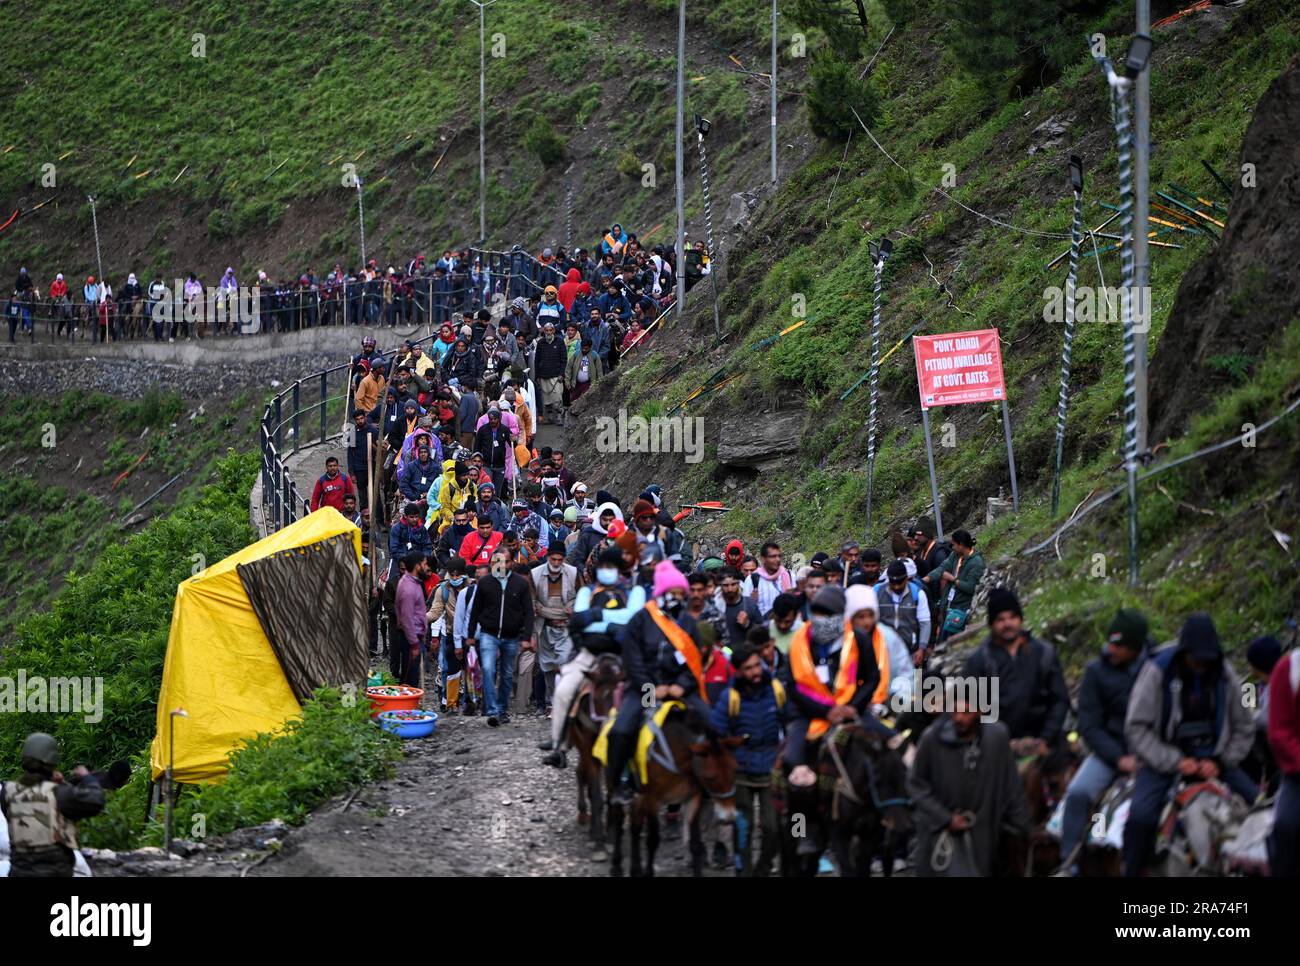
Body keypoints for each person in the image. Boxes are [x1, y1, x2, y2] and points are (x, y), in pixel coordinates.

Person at [1122, 613, 1259, 876]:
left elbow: (1244, 726)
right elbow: (1136, 727)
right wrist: (1174, 761)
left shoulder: (1224, 673)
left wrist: (1220, 761)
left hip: (1214, 761)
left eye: (1206, 660)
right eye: (1196, 660)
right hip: (1164, 764)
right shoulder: (1157, 671)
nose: (1201, 666)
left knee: (1260, 809)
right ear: (1184, 653)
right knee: (1141, 818)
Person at [779, 585, 882, 856]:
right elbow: (792, 686)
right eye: (817, 613)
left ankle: (888, 825)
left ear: (841, 616)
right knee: (794, 764)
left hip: (850, 708)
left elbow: (872, 678)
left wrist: (851, 707)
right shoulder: (799, 642)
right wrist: (826, 712)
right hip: (807, 713)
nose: (821, 618)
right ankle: (802, 831)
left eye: (828, 614)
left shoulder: (858, 639)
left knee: (891, 747)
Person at [604, 561, 707, 805]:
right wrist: (651, 687)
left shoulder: (688, 623)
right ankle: (619, 783)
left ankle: (710, 779)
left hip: (678, 688)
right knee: (621, 730)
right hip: (645, 689)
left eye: (681, 593)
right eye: (673, 593)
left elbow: (695, 660)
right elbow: (633, 660)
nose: (677, 598)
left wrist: (681, 684)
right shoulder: (640, 620)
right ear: (661, 593)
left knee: (711, 721)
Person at [908, 682, 1031, 876]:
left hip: (985, 834)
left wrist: (1022, 828)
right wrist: (945, 818)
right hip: (943, 835)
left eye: (966, 712)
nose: (959, 718)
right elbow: (916, 784)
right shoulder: (931, 739)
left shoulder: (997, 737)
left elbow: (1011, 787)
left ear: (980, 711)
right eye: (955, 711)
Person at [1058, 609, 1149, 870]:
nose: (1111, 649)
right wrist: (1119, 758)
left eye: (1119, 645)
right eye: (1110, 642)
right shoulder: (1096, 671)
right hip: (1110, 751)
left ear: (1135, 646)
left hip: (1152, 753)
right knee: (1077, 793)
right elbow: (1089, 724)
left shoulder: (1156, 669)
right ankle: (1069, 862)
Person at [541, 548, 646, 766]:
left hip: (624, 655)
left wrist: (596, 617)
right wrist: (614, 624)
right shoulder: (586, 593)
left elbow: (633, 618)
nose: (608, 571)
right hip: (589, 653)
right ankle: (559, 745)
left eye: (612, 567)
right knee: (564, 689)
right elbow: (578, 621)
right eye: (605, 567)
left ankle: (646, 745)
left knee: (648, 692)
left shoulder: (634, 592)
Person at [963, 589, 1069, 753]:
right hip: (996, 749)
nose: (1008, 624)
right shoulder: (980, 661)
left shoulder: (1043, 653)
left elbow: (1059, 699)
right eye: (1001, 619)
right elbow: (973, 710)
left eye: (1012, 617)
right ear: (992, 624)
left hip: (1042, 744)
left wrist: (1045, 738)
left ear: (1020, 619)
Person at [709, 644, 784, 877]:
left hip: (771, 768)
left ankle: (763, 866)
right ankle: (744, 871)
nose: (755, 672)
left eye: (757, 665)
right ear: (738, 671)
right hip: (741, 770)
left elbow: (789, 720)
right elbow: (715, 731)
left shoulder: (776, 689)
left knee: (773, 827)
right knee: (744, 827)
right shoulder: (730, 697)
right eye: (748, 668)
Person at [1, 733, 106, 877]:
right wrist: (87, 777)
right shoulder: (59, 793)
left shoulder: (8, 791)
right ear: (52, 760)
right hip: (54, 872)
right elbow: (96, 801)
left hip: (19, 872)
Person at [466, 549, 535, 727]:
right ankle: (493, 710)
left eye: (505, 562)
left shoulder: (520, 584)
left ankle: (502, 709)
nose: (501, 566)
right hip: (488, 633)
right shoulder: (485, 583)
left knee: (506, 674)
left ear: (512, 563)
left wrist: (526, 636)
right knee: (488, 669)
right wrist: (470, 634)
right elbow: (475, 610)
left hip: (511, 636)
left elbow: (528, 612)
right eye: (497, 562)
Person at [529, 543, 579, 713]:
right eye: (553, 559)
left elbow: (581, 596)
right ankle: (551, 702)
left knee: (564, 664)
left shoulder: (572, 573)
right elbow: (532, 603)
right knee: (548, 667)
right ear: (548, 557)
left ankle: (564, 701)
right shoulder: (535, 575)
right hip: (544, 628)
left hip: (566, 628)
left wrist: (570, 608)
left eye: (560, 559)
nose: (556, 563)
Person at [1268, 645, 1300, 877]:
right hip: (1283, 757)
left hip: (1270, 749)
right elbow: (1262, 723)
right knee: (1285, 826)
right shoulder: (1287, 670)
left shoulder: (1249, 683)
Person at [428, 557, 470, 713]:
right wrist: (420, 618)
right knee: (448, 669)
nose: (454, 578)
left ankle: (469, 701)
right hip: (450, 633)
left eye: (457, 575)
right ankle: (448, 701)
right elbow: (435, 612)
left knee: (469, 668)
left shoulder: (472, 588)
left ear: (464, 575)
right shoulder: (442, 590)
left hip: (469, 635)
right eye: (451, 575)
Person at [934, 529, 985, 640]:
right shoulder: (956, 556)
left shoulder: (976, 563)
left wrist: (953, 579)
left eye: (953, 545)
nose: (952, 548)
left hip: (961, 612)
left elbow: (971, 588)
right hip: (950, 610)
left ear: (961, 545)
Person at [875, 560, 931, 659]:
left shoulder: (918, 594)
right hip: (884, 651)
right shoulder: (877, 592)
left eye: (900, 582)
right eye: (893, 582)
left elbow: (925, 622)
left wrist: (922, 648)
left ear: (906, 578)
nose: (896, 586)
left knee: (917, 674)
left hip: (912, 650)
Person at [393, 552, 431, 687]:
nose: (427, 567)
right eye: (425, 564)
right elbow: (407, 619)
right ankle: (406, 707)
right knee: (409, 681)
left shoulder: (414, 583)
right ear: (417, 566)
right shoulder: (408, 588)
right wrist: (414, 644)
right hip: (410, 639)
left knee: (413, 678)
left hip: (414, 638)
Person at [717, 566, 762, 651]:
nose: (730, 589)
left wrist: (747, 624)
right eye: (726, 585)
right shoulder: (715, 607)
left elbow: (761, 632)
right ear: (720, 585)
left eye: (733, 584)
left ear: (738, 584)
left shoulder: (749, 604)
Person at [533, 321, 568, 424]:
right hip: (543, 375)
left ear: (553, 331)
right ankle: (549, 418)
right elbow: (536, 360)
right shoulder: (540, 343)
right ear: (544, 331)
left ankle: (559, 416)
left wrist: (562, 374)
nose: (548, 332)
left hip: (556, 376)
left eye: (550, 330)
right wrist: (537, 375)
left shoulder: (560, 341)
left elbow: (564, 359)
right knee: (546, 400)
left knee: (557, 399)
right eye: (546, 330)